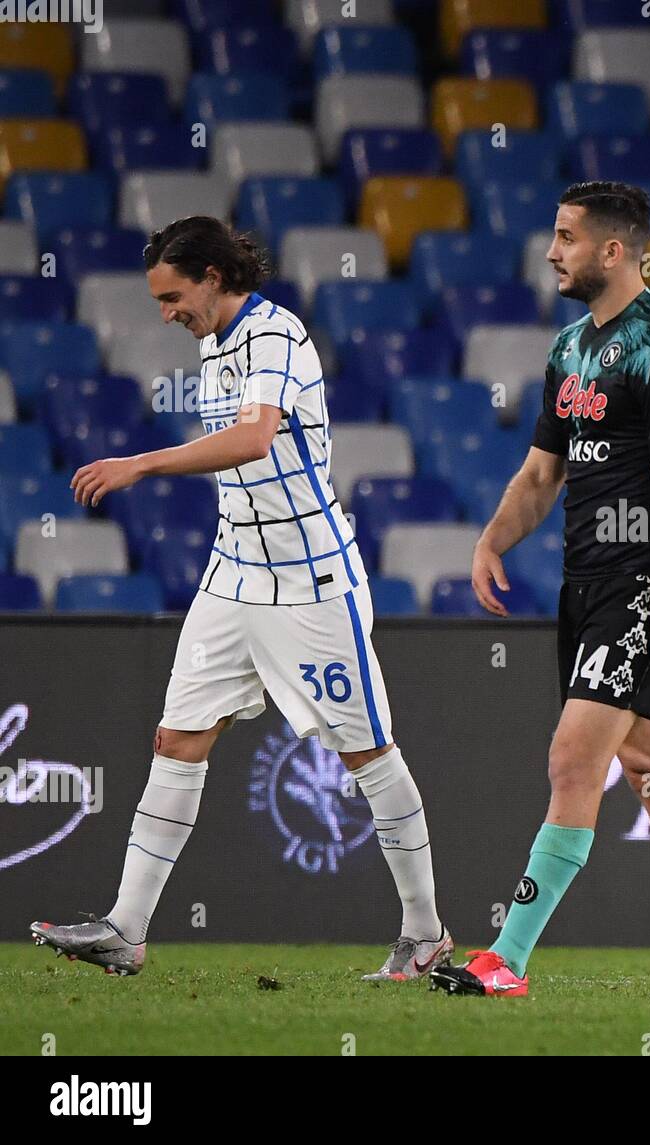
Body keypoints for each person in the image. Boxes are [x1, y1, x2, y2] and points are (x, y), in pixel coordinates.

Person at [30, 216, 451, 983]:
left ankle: (423, 933)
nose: (167, 313)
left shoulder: (275, 334)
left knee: (365, 753)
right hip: (232, 574)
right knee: (177, 738)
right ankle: (127, 928)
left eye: (173, 296)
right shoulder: (213, 345)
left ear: (214, 277)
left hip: (310, 579)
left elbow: (255, 438)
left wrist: (141, 464)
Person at [431, 182, 650, 998]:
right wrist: (491, 538)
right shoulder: (570, 349)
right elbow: (543, 472)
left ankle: (505, 959)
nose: (552, 251)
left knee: (572, 759)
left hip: (640, 579)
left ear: (613, 250)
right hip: (585, 583)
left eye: (566, 237)